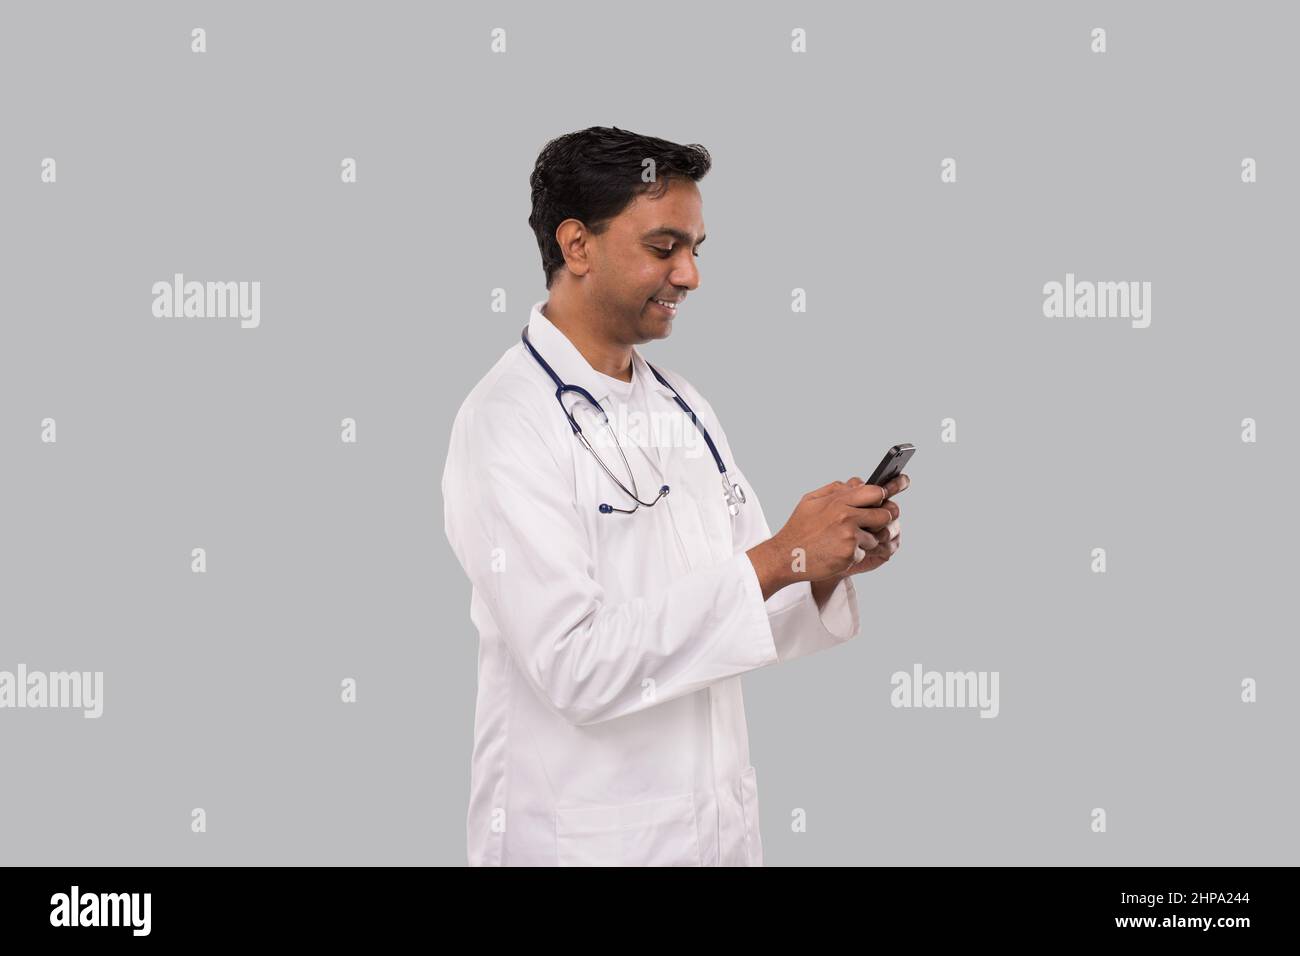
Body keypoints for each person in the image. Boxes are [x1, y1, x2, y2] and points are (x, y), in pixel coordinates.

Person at [441, 126, 909, 866]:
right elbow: (575, 666)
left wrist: (824, 560)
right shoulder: (506, 423)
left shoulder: (681, 405)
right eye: (664, 248)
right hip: (581, 842)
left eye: (696, 249)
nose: (690, 275)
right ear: (577, 245)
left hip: (713, 835)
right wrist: (780, 557)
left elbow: (749, 602)